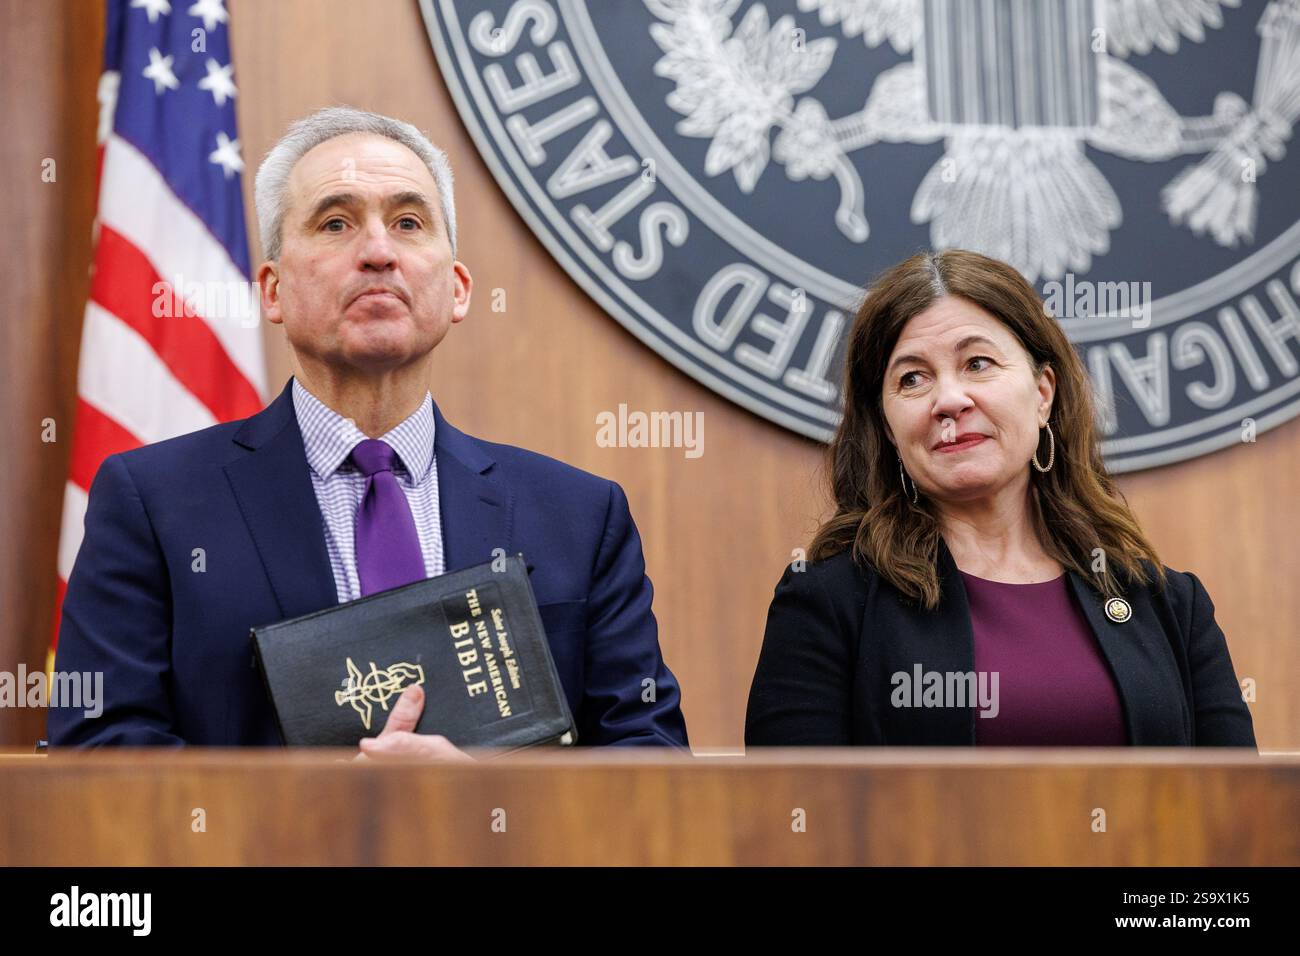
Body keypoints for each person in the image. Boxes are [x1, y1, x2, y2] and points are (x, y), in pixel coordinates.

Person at [49, 107, 689, 754]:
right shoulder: (154, 504)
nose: (379, 252)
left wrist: (483, 805)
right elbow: (100, 751)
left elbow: (649, 754)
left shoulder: (580, 517)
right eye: (335, 223)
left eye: (409, 223)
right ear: (271, 290)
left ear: (459, 288)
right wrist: (323, 820)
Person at [746, 250, 1254, 748]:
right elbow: (793, 817)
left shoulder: (1168, 605)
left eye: (978, 363)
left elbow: (1237, 813)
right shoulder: (827, 605)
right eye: (912, 378)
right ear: (887, 426)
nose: (948, 399)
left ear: (1042, 394)